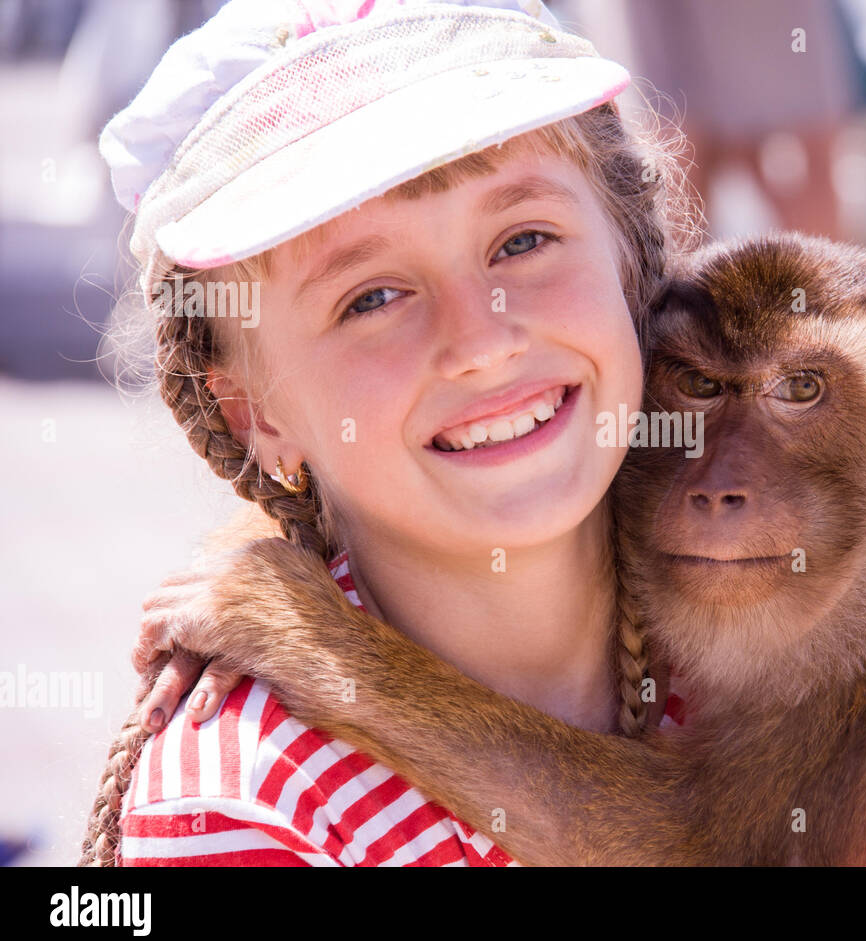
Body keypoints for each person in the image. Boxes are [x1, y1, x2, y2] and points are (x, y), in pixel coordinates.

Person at [81, 0, 699, 866]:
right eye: (370, 297)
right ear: (254, 415)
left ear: (632, 261)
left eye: (523, 240)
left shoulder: (803, 618)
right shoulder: (251, 801)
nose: (483, 345)